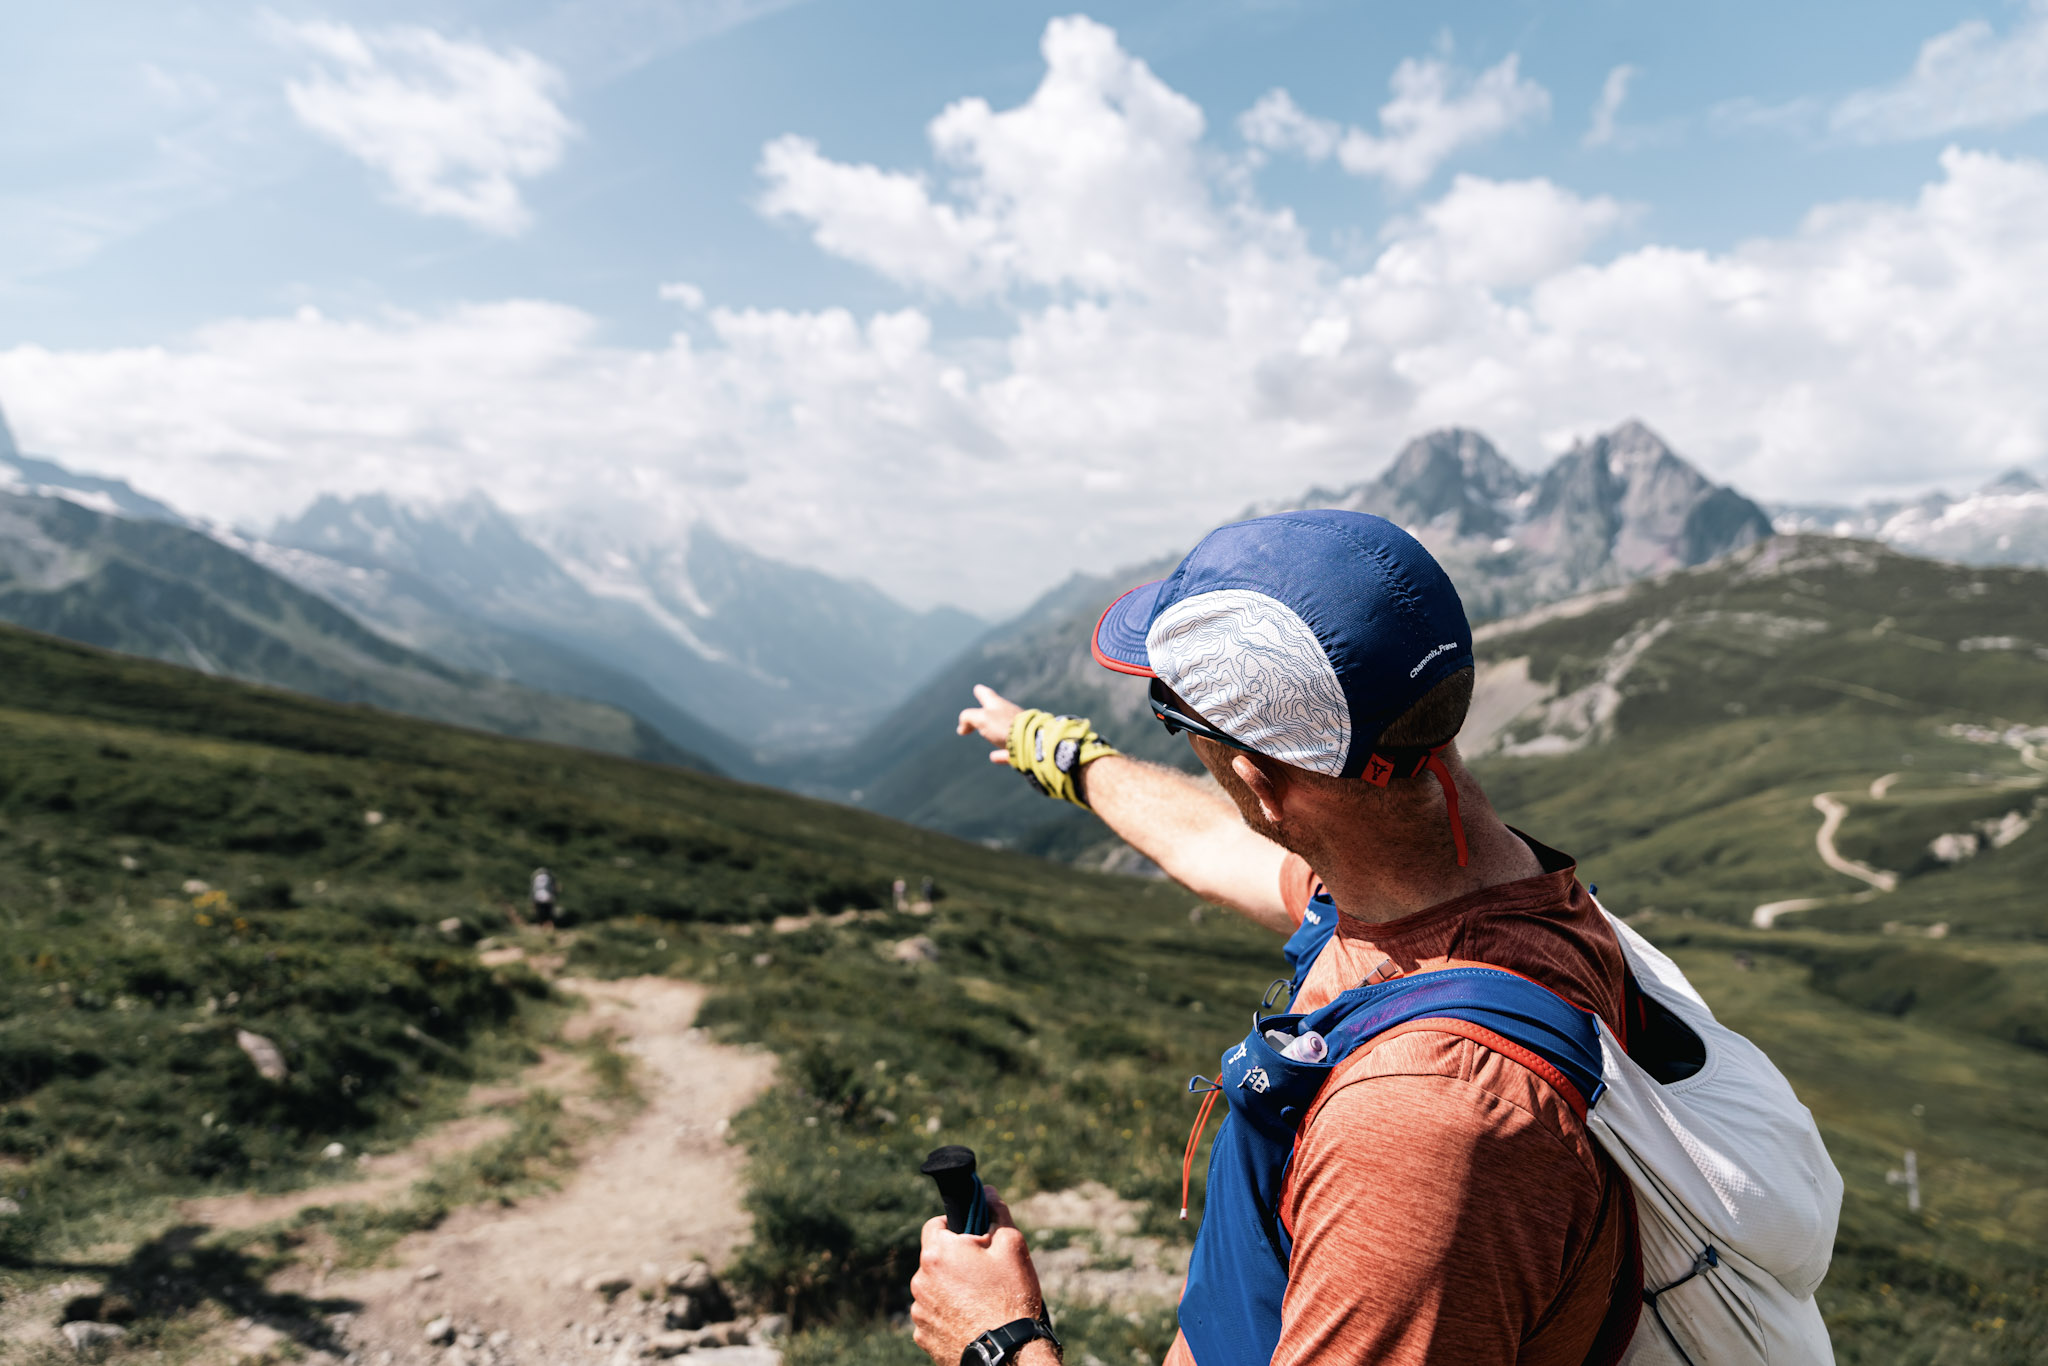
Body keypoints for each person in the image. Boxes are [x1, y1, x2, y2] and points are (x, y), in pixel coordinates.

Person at [914, 510, 1638, 1366]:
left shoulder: (1424, 1125)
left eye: (1176, 718)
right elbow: (1215, 845)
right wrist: (1065, 755)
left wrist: (998, 1338)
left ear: (1259, 781)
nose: (1187, 751)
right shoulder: (1467, 886)